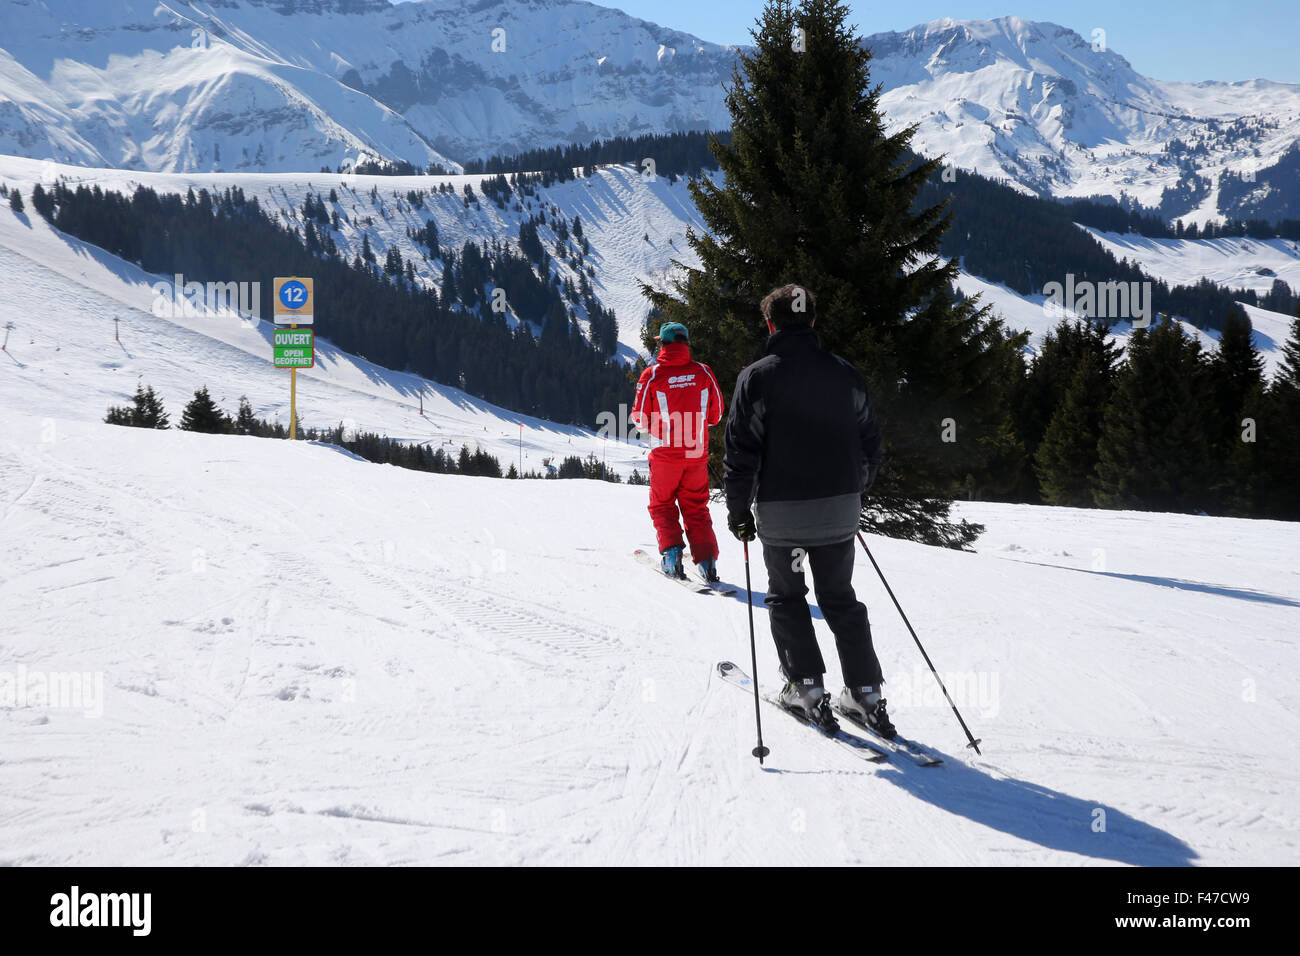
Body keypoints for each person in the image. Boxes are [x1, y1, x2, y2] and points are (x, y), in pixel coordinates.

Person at [722, 284, 893, 737]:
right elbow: (872, 443)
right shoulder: (845, 374)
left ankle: (807, 688)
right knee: (840, 599)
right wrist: (855, 492)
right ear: (812, 322)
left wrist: (738, 511)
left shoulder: (757, 377)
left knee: (787, 597)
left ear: (770, 323)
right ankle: (866, 693)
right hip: (839, 511)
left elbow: (742, 453)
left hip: (783, 514)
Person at [631, 321, 724, 581]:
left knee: (662, 504)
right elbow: (716, 415)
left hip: (665, 452)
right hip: (696, 451)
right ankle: (707, 562)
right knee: (696, 506)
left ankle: (672, 557)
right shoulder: (703, 372)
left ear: (662, 343)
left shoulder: (651, 375)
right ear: (686, 343)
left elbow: (639, 418)